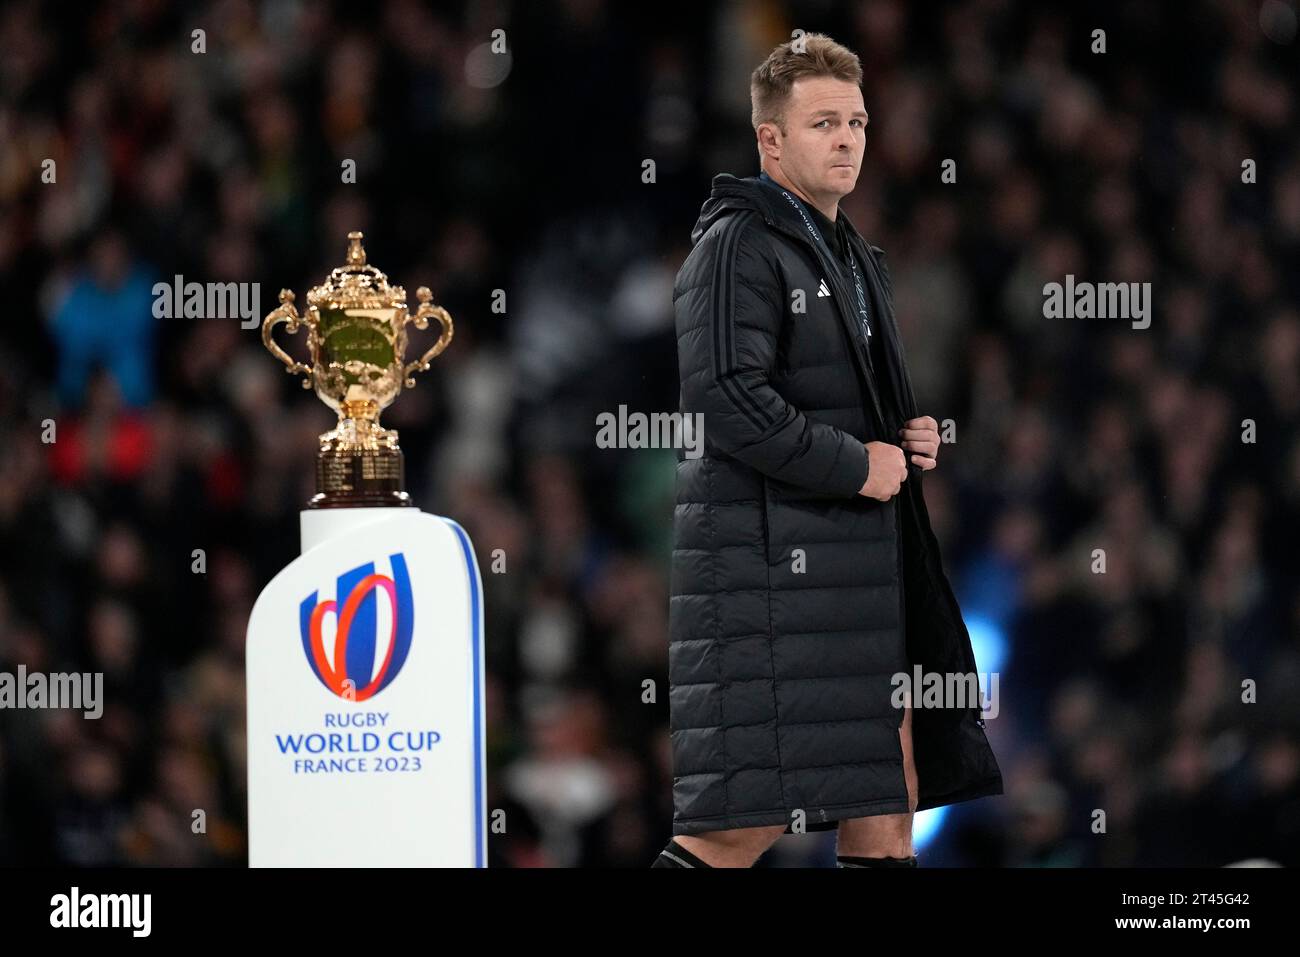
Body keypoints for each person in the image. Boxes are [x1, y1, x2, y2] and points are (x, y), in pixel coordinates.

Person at [654, 33, 1002, 869]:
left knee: (889, 808)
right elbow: (728, 399)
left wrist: (901, 435)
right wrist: (857, 463)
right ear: (771, 140)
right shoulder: (737, 244)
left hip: (852, 580)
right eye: (823, 124)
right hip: (773, 584)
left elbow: (830, 399)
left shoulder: (849, 253)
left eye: (857, 121)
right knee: (735, 828)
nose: (847, 139)